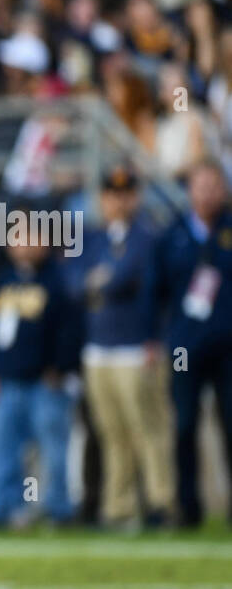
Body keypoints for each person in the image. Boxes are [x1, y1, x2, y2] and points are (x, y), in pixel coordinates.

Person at [66, 166, 173, 528]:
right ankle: (119, 506)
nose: (119, 200)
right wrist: (103, 282)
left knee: (148, 428)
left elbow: (127, 277)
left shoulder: (148, 237)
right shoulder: (93, 237)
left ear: (136, 197)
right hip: (99, 348)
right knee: (111, 432)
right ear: (103, 198)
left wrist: (101, 282)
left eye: (126, 193)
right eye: (112, 193)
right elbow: (74, 282)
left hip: (135, 346)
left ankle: (161, 502)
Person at [0, 225, 80, 527]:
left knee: (53, 450)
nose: (25, 244)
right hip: (7, 382)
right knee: (2, 450)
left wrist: (60, 367)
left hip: (44, 383)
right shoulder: (1, 280)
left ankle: (57, 508)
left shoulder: (58, 280)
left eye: (32, 237)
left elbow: (70, 329)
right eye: (18, 237)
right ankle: (0, 508)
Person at [155, 158, 232, 527]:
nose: (207, 193)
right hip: (185, 347)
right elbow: (155, 294)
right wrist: (156, 339)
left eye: (214, 185)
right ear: (188, 190)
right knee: (184, 424)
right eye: (200, 185)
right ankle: (188, 507)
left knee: (230, 424)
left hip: (228, 345)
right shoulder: (171, 234)